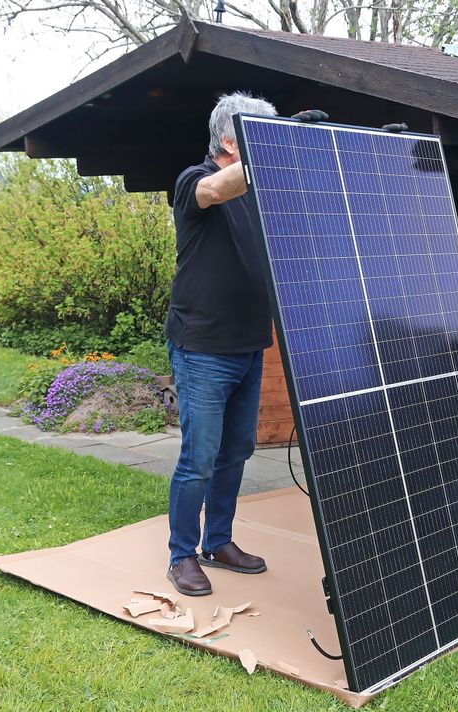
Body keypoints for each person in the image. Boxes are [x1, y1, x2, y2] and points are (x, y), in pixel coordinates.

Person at [164, 91, 279, 596]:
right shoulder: (195, 181)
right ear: (230, 139)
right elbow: (216, 188)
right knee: (200, 456)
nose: (270, 149)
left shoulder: (256, 196)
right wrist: (279, 148)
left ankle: (219, 541)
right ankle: (181, 556)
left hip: (248, 345)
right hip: (203, 349)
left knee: (238, 449)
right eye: (261, 136)